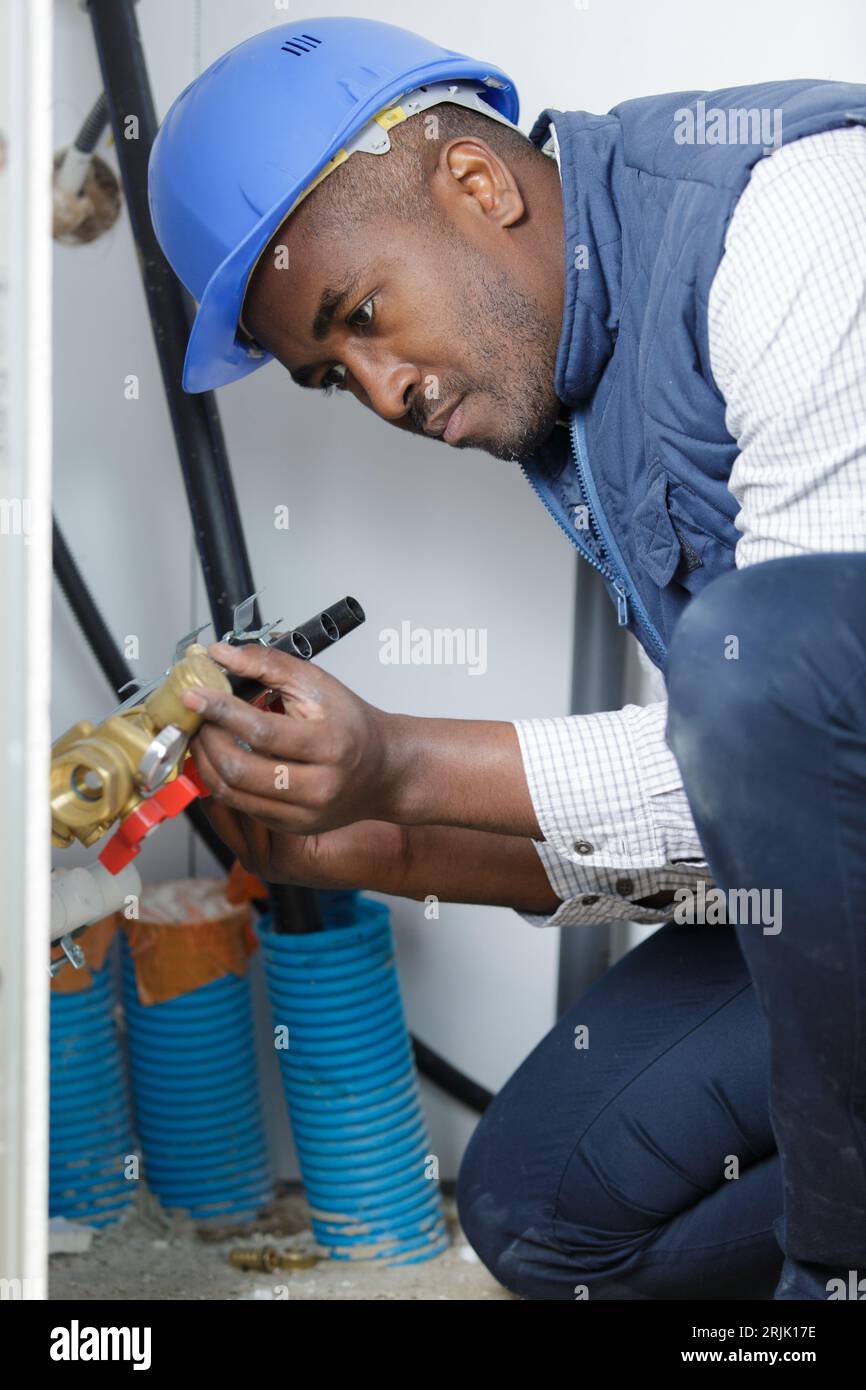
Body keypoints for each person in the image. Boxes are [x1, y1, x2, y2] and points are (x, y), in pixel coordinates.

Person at [149, 18, 866, 1299]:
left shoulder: (791, 216)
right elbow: (760, 836)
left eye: (360, 315)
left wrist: (405, 765)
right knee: (535, 1210)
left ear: (475, 185)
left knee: (763, 662)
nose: (380, 392)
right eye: (331, 375)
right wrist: (381, 838)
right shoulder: (572, 403)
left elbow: (805, 725)